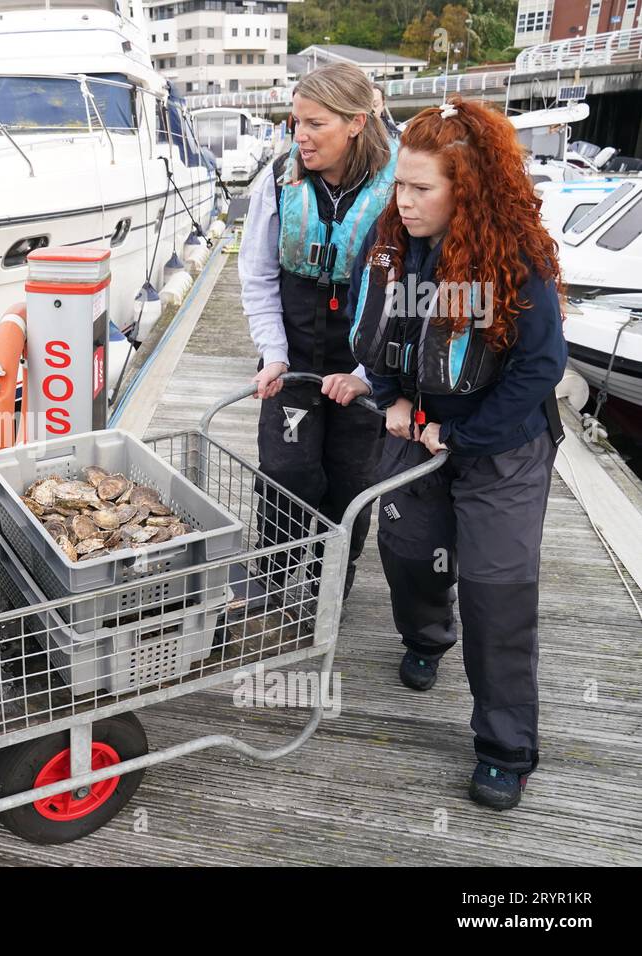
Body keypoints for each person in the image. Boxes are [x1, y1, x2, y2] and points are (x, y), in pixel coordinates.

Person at [332, 98, 568, 811]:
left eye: (421, 188)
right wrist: (392, 396)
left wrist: (466, 435)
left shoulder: (517, 258)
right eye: (399, 185)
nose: (403, 201)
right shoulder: (392, 241)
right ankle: (427, 635)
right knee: (409, 551)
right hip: (416, 429)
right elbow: (379, 328)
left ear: (465, 189)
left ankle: (505, 747)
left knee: (498, 592)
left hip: (503, 446)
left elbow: (540, 367)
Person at [238, 63, 397, 600]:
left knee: (350, 483)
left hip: (365, 365)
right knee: (286, 473)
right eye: (296, 123)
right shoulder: (279, 180)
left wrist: (367, 373)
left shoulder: (398, 190)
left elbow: (408, 293)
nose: (300, 136)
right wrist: (273, 355)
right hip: (294, 358)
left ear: (356, 123)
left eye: (315, 124)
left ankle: (326, 590)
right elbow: (258, 275)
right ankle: (270, 582)